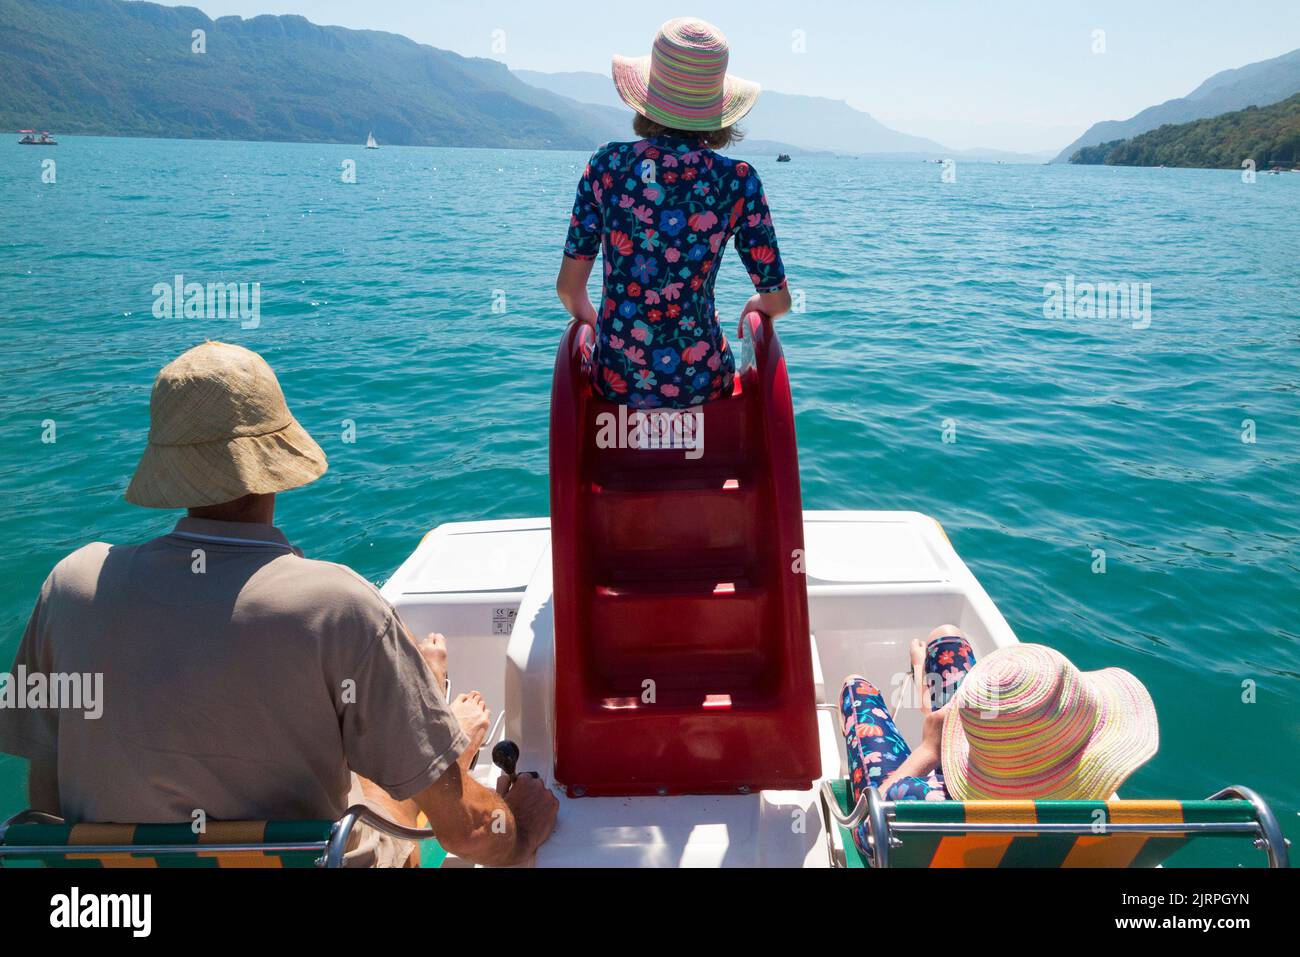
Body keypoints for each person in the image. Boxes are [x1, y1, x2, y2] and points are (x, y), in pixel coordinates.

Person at [0, 341, 558, 866]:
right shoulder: (337, 608)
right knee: (388, 788)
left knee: (364, 746)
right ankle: (441, 729)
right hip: (309, 857)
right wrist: (522, 828)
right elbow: (467, 833)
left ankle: (424, 708)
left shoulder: (69, 587)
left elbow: (49, 802)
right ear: (275, 464)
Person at [556, 16, 793, 409]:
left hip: (616, 383)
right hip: (702, 381)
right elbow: (779, 302)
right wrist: (758, 304)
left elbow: (568, 289)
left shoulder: (606, 165)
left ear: (647, 99)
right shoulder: (737, 181)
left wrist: (597, 324)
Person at [841, 626, 1159, 851]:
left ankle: (927, 697)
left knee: (857, 688)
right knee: (947, 638)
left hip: (952, 804)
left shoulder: (916, 800)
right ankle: (931, 693)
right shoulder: (1110, 823)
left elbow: (869, 827)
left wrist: (929, 749)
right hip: (997, 786)